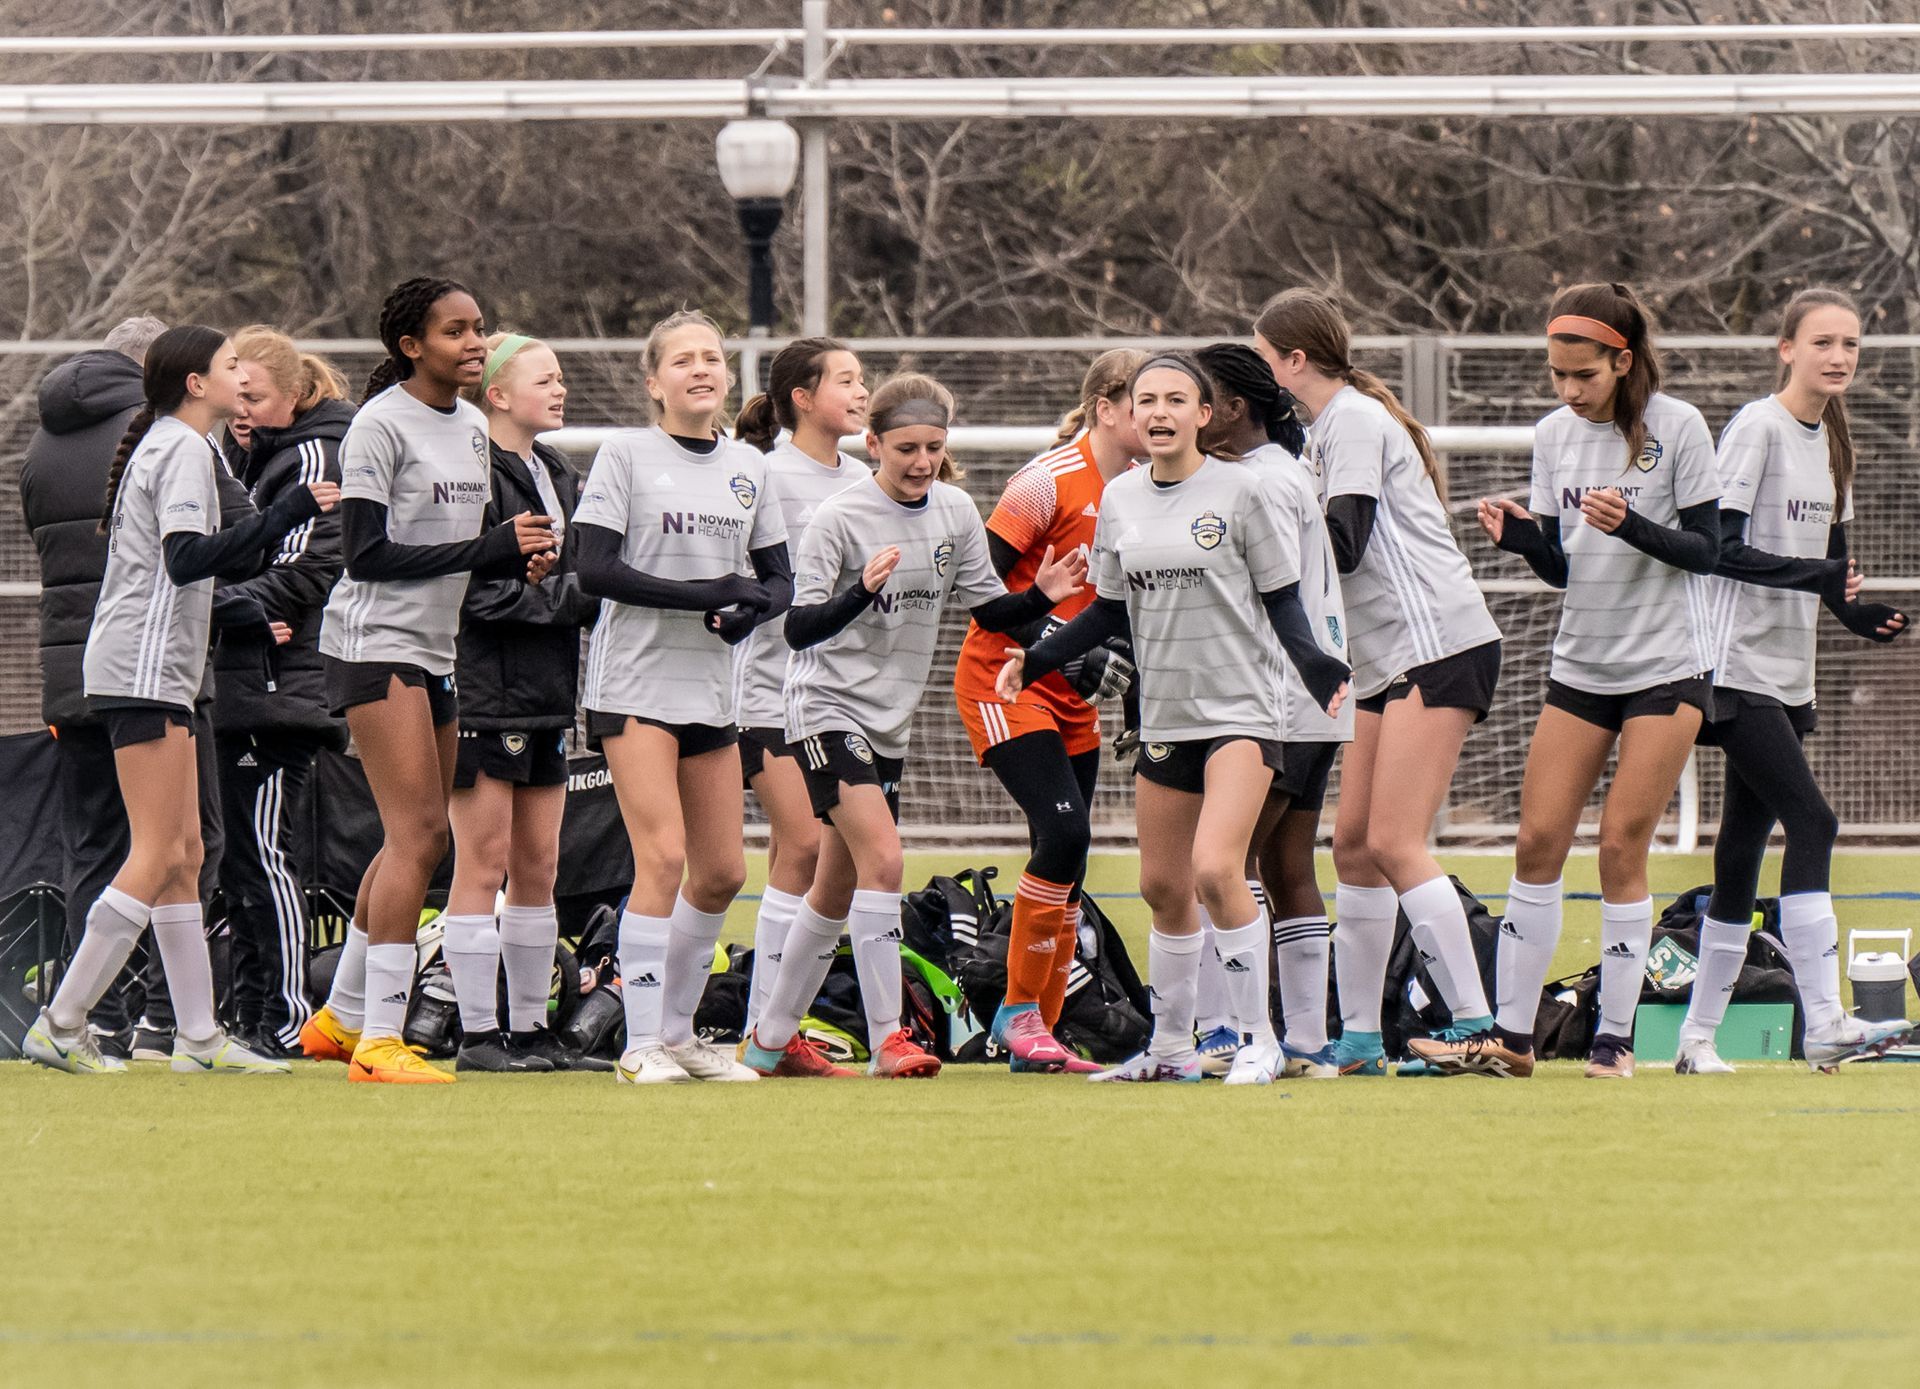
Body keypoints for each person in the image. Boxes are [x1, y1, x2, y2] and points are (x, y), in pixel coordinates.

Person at [998, 353, 1349, 1085]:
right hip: (1167, 715)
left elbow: (1284, 599)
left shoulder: (1242, 490)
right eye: (1145, 399)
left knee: (1218, 868)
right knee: (1163, 886)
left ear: (1202, 413)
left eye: (1175, 400)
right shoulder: (1123, 498)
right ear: (1127, 412)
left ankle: (1258, 1038)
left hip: (1245, 713)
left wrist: (1317, 666)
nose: (1158, 412)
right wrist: (1036, 658)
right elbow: (1106, 608)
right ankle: (1168, 1049)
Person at [743, 372, 1086, 1080]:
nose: (922, 460)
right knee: (887, 861)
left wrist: (1040, 596)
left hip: (888, 723)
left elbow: (989, 612)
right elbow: (800, 629)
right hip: (823, 708)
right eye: (906, 447)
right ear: (873, 444)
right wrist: (861, 590)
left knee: (837, 888)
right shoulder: (840, 518)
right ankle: (888, 1038)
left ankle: (769, 1040)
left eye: (933, 446)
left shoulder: (957, 511)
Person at [1419, 282, 1722, 1080]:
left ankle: (1614, 1041)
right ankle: (1513, 1039)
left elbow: (1710, 550)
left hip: (1667, 668)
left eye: (1582, 375)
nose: (1567, 390)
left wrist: (1636, 526)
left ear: (1622, 362)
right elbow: (1561, 566)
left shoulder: (1679, 427)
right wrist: (1523, 539)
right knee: (1536, 841)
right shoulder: (1554, 434)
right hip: (1580, 664)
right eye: (1556, 374)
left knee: (1620, 844)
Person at [23, 325, 336, 1075]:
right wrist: (290, 511)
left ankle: (198, 1037)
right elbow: (187, 556)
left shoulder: (177, 443)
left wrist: (270, 536)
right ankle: (62, 1020)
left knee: (187, 852)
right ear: (196, 383)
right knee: (160, 849)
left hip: (159, 667)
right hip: (144, 668)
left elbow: (207, 556)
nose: (242, 374)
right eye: (230, 364)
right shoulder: (181, 447)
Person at [303, 278, 557, 1085]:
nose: (476, 342)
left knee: (414, 835)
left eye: (480, 328)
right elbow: (367, 555)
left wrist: (521, 551)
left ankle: (339, 1019)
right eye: (456, 331)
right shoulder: (378, 425)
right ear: (412, 346)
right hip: (373, 643)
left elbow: (470, 538)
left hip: (435, 649)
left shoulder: (475, 427)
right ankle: (379, 1040)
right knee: (421, 835)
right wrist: (487, 551)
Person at [1253, 289, 1504, 1078]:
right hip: (1380, 659)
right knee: (1355, 847)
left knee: (1395, 840)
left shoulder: (1355, 419)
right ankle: (1359, 1039)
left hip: (1437, 646)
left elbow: (1345, 542)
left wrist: (1251, 569)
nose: (1261, 373)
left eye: (1264, 357)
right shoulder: (1320, 433)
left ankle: (1476, 1027)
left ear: (1295, 361)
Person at [1676, 288, 1910, 1073]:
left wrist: (1858, 612)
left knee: (1741, 844)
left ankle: (1696, 1038)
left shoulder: (1831, 440)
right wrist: (1819, 572)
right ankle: (1827, 1022)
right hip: (1734, 668)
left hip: (1789, 671)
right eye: (1823, 342)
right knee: (1815, 823)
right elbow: (1720, 548)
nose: (1839, 355)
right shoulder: (1758, 427)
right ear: (1787, 349)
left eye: (1851, 343)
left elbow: (1828, 572)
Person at [572, 310, 789, 1086]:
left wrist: (747, 608)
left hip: (710, 694)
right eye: (684, 360)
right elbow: (593, 570)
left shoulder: (749, 468)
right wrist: (704, 591)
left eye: (713, 358)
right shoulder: (626, 454)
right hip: (633, 687)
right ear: (654, 381)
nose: (702, 369)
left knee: (724, 870)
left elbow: (778, 579)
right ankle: (639, 1046)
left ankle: (683, 1034)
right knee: (661, 858)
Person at [951, 349, 1143, 1073]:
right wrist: (1057, 647)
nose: (1158, 415)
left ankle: (1043, 1029)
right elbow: (980, 592)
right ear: (1105, 408)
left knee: (1070, 857)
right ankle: (1018, 1014)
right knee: (1063, 833)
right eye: (1142, 401)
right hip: (1006, 683)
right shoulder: (1044, 481)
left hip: (1076, 700)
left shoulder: (1147, 488)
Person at [442, 332, 606, 1072]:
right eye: (545, 378)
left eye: (562, 376)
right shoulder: (475, 468)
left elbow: (568, 581)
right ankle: (477, 1034)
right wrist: (554, 594)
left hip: (547, 693)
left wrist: (559, 590)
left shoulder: (559, 471)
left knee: (539, 865)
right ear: (498, 394)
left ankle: (530, 1031)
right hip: (486, 692)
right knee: (483, 862)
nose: (560, 388)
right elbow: (471, 591)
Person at [1196, 342, 1350, 1079]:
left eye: (1198, 396)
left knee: (1221, 863)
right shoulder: (1276, 472)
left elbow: (1271, 599)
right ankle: (1309, 1043)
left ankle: (1227, 1029)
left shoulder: (1259, 484)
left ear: (1230, 409)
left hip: (1282, 699)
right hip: (1315, 701)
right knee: (1288, 865)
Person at [211, 327, 352, 1058]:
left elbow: (304, 573)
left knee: (266, 853)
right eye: (233, 395)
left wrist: (210, 601)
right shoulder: (249, 453)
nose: (241, 411)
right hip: (245, 678)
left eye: (254, 397)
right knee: (239, 859)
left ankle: (292, 1016)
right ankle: (249, 1014)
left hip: (280, 687)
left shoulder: (314, 455)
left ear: (294, 393)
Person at [732, 337, 872, 1040]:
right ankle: (765, 1027)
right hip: (766, 693)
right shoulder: (766, 475)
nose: (861, 391)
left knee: (824, 862)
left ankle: (777, 1029)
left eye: (862, 379)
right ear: (802, 398)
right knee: (805, 847)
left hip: (840, 694)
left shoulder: (866, 477)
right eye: (845, 379)